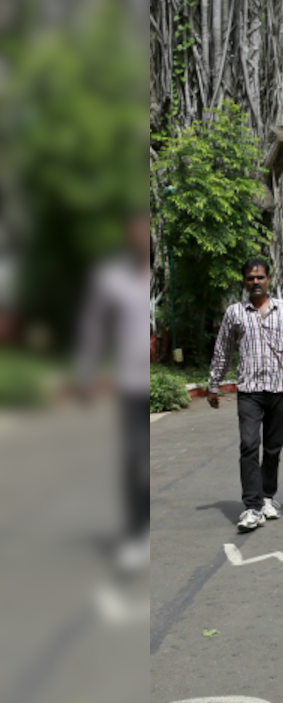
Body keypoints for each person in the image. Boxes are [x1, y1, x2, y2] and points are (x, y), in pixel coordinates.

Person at [208, 257, 283, 532]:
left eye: (260, 277)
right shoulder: (235, 313)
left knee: (274, 447)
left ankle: (267, 497)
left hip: (279, 389)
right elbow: (223, 350)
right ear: (244, 281)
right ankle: (252, 507)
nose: (256, 282)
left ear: (269, 280)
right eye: (250, 278)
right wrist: (213, 384)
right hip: (249, 391)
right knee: (249, 444)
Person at [75, 212, 153, 570]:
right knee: (131, 458)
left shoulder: (157, 277)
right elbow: (92, 327)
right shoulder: (111, 280)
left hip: (155, 380)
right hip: (128, 383)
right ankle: (134, 533)